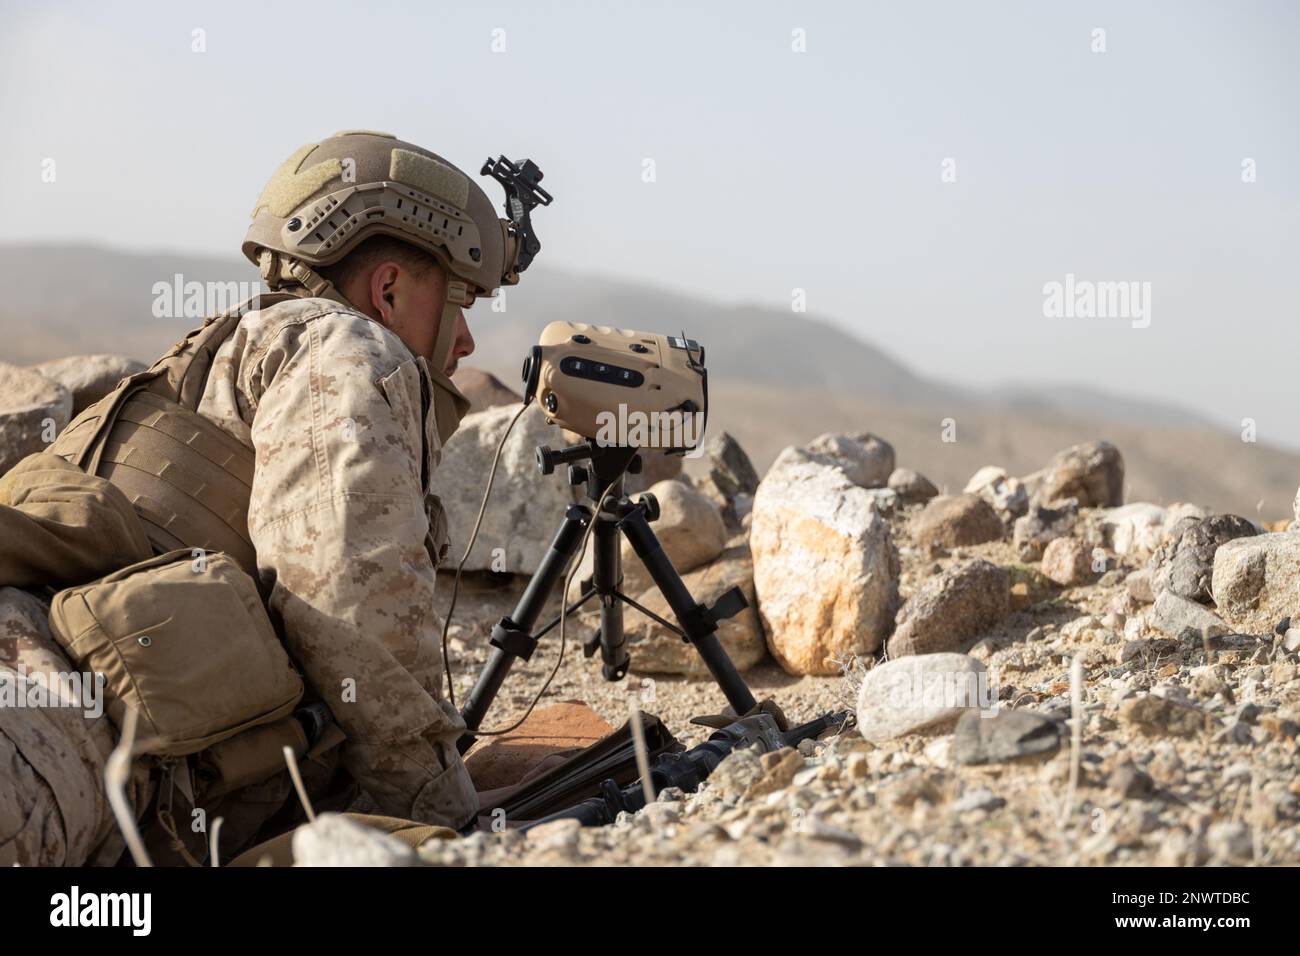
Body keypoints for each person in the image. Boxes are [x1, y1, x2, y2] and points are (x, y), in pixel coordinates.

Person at [0, 130, 544, 865]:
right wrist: (438, 819)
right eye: (462, 300)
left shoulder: (221, 352)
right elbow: (350, 590)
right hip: (50, 706)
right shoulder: (348, 347)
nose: (470, 342)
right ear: (387, 289)